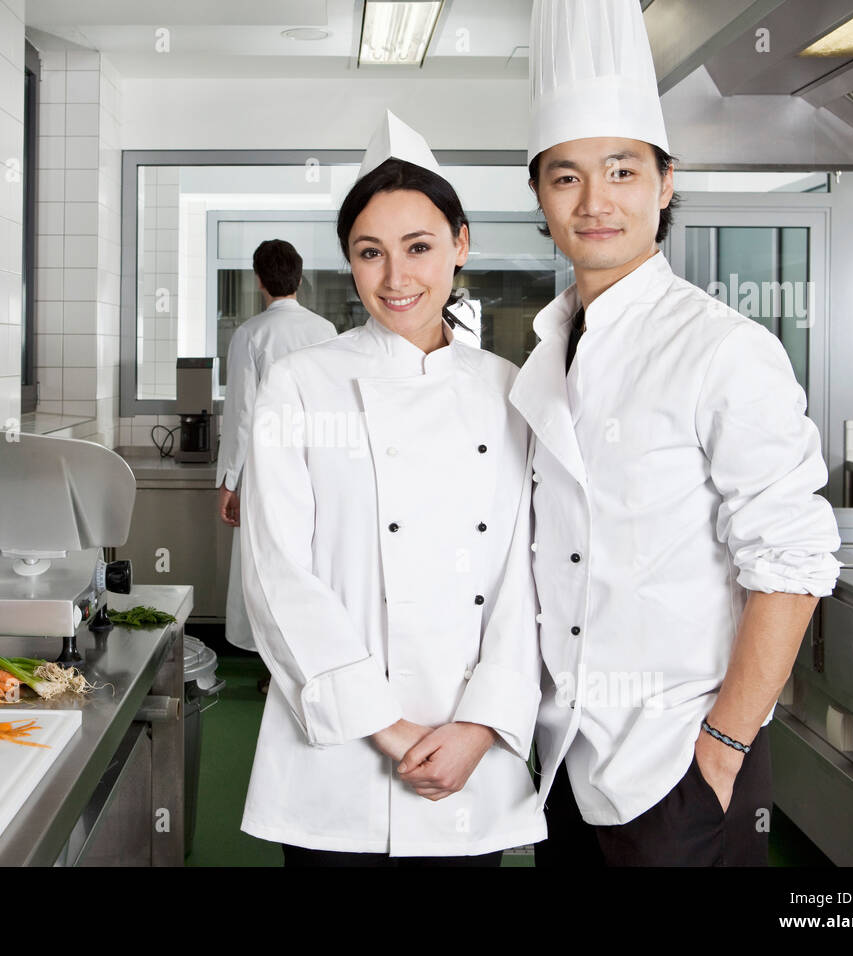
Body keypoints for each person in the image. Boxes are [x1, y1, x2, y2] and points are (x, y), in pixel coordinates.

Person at [515, 0, 840, 866]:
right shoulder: (547, 349)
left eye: (622, 171)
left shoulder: (725, 348)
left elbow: (795, 563)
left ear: (665, 183)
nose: (596, 202)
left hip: (678, 770)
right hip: (568, 766)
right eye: (566, 176)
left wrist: (722, 753)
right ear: (542, 197)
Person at [238, 111, 545, 865]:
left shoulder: (511, 390)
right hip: (337, 757)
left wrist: (480, 727)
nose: (397, 278)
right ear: (348, 261)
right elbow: (279, 572)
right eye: (370, 253)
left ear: (460, 244)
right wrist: (385, 724)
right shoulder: (301, 382)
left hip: (469, 757)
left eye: (419, 248)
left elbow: (523, 577)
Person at [216, 240, 336, 664]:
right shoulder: (325, 332)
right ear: (299, 279)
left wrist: (229, 482)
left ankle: (270, 661)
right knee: (310, 560)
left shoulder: (251, 334)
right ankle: (310, 654)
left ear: (258, 281)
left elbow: (241, 415)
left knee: (265, 562)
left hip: (266, 471)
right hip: (318, 465)